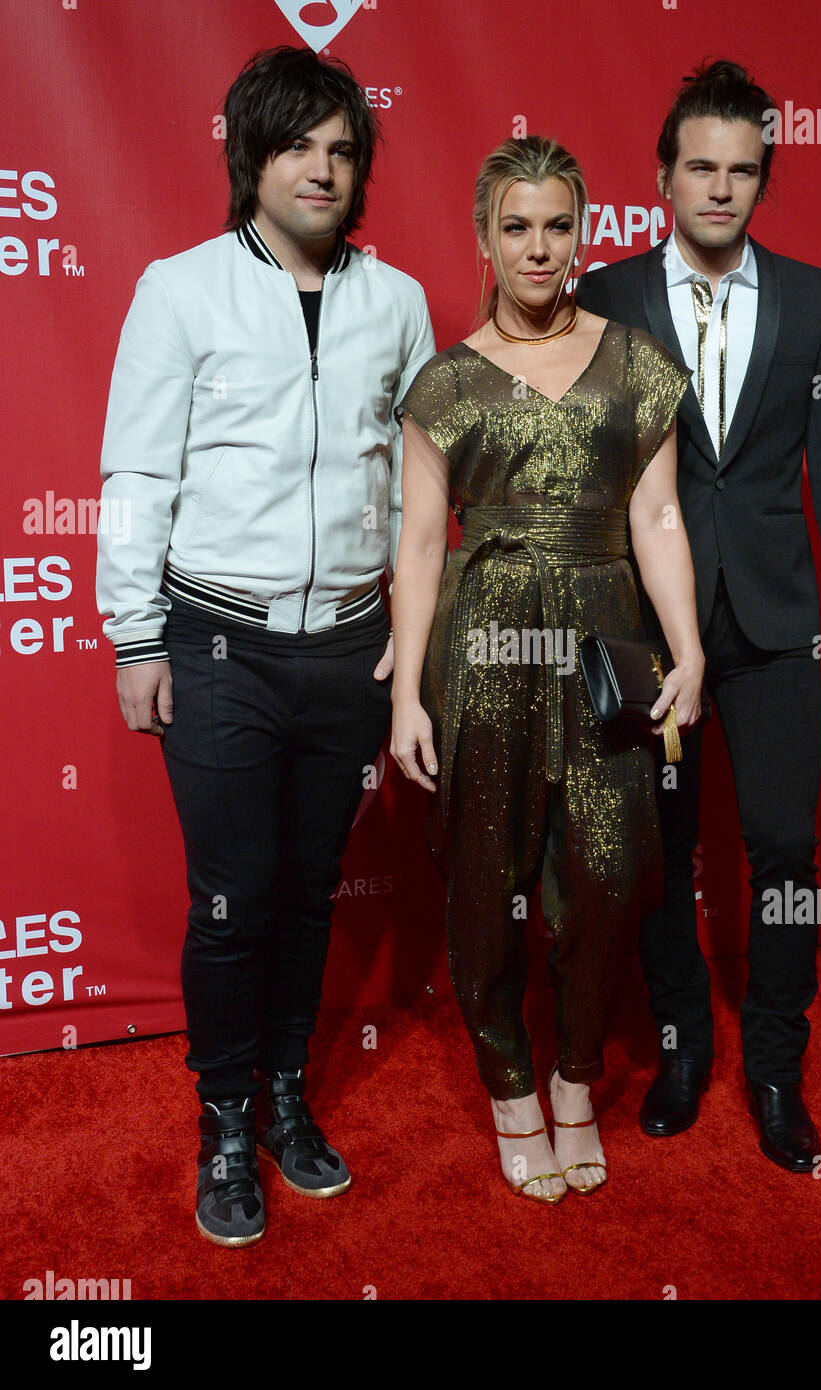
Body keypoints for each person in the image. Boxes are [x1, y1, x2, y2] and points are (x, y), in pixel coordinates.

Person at [96, 46, 435, 1245]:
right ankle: (225, 1121)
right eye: (299, 143)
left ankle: (288, 1097)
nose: (323, 168)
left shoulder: (394, 302)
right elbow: (137, 469)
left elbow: (411, 488)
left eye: (343, 149)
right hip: (217, 647)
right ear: (250, 153)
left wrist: (410, 635)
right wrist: (136, 635)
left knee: (305, 897)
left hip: (346, 651)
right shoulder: (178, 288)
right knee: (233, 902)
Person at [576, 60, 821, 1172]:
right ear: (662, 176)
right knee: (659, 855)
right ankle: (678, 1053)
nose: (720, 189)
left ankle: (774, 1069)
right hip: (650, 626)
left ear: (763, 182)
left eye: (742, 171)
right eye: (700, 168)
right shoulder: (607, 294)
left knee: (782, 850)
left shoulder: (812, 297)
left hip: (771, 624)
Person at [390, 136, 704, 1204]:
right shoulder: (443, 383)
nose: (538, 247)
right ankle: (511, 1081)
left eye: (557, 225)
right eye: (515, 226)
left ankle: (579, 1074)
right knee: (488, 876)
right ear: (484, 237)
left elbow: (657, 515)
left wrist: (690, 646)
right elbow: (422, 545)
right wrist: (403, 697)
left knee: (609, 876)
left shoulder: (635, 361)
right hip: (483, 643)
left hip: (606, 633)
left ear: (583, 232)